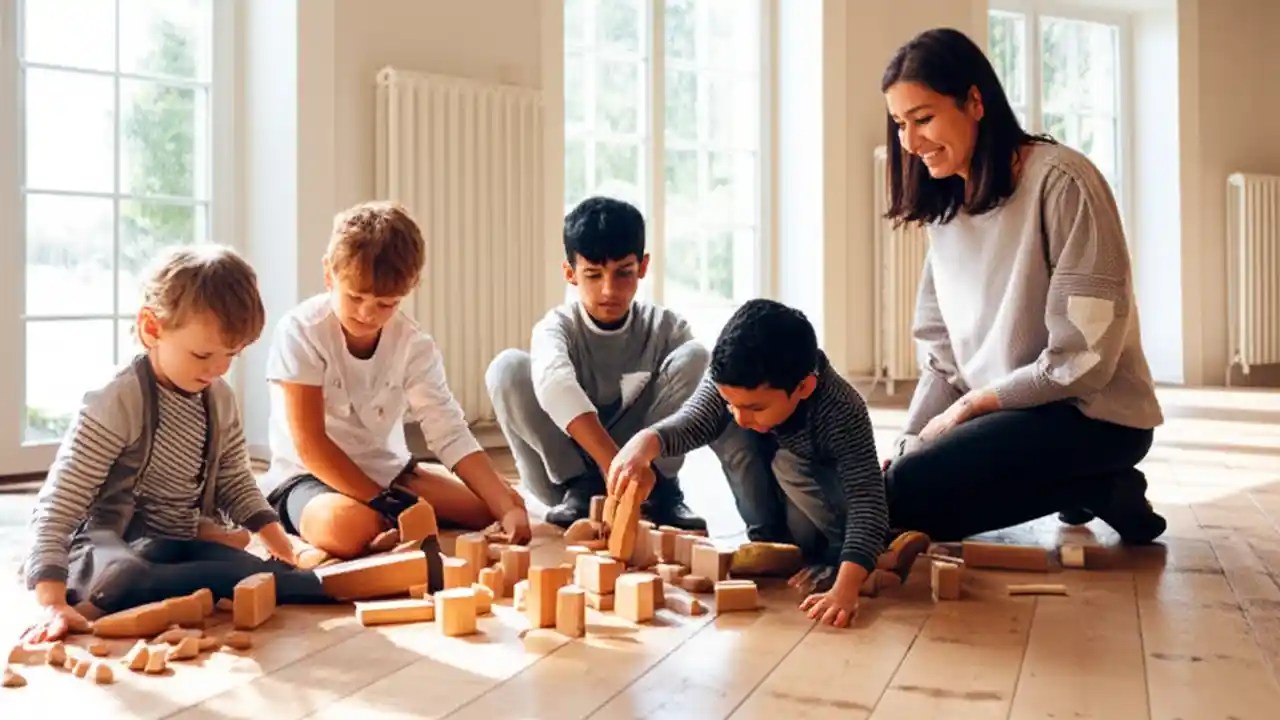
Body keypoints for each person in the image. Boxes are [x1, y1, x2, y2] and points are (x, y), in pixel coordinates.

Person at [880, 27, 1166, 544]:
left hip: (1093, 416)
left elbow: (1081, 360)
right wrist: (908, 439)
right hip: (1009, 415)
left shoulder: (1064, 182)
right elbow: (942, 358)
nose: (910, 141)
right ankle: (1086, 488)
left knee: (913, 493)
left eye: (923, 118)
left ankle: (1100, 484)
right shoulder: (945, 209)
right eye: (900, 123)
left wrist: (968, 408)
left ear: (974, 101)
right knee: (893, 487)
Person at [21, 246, 328, 643]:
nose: (217, 369)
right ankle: (171, 588)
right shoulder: (117, 400)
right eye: (202, 354)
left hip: (174, 542)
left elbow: (236, 481)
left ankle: (186, 584)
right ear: (152, 328)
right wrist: (51, 602)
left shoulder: (218, 397)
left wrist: (283, 550)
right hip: (109, 544)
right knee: (128, 576)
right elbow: (58, 505)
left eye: (231, 355)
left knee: (268, 576)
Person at [609, 299, 922, 628]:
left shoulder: (841, 408)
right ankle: (771, 544)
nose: (742, 416)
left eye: (756, 407)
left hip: (828, 518)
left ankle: (858, 558)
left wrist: (845, 588)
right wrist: (643, 442)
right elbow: (694, 421)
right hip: (779, 512)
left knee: (789, 462)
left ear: (803, 387)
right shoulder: (732, 380)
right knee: (724, 429)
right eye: (731, 403)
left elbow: (867, 502)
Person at [261, 201, 531, 560]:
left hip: (390, 474)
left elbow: (448, 430)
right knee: (349, 529)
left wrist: (505, 507)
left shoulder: (413, 344)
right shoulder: (301, 331)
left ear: (411, 287)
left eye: (386, 304)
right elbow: (310, 444)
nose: (367, 313)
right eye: (355, 297)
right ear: (329, 274)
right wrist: (388, 503)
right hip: (307, 476)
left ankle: (398, 507)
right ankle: (375, 517)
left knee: (492, 506)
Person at [485, 196, 708, 530]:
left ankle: (663, 491)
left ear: (643, 267)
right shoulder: (555, 327)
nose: (608, 290)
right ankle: (581, 487)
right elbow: (556, 387)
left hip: (644, 472)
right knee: (507, 367)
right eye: (593, 274)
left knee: (697, 355)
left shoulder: (666, 329)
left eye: (623, 274)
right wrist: (613, 464)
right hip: (562, 481)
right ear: (570, 273)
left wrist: (638, 468)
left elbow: (706, 404)